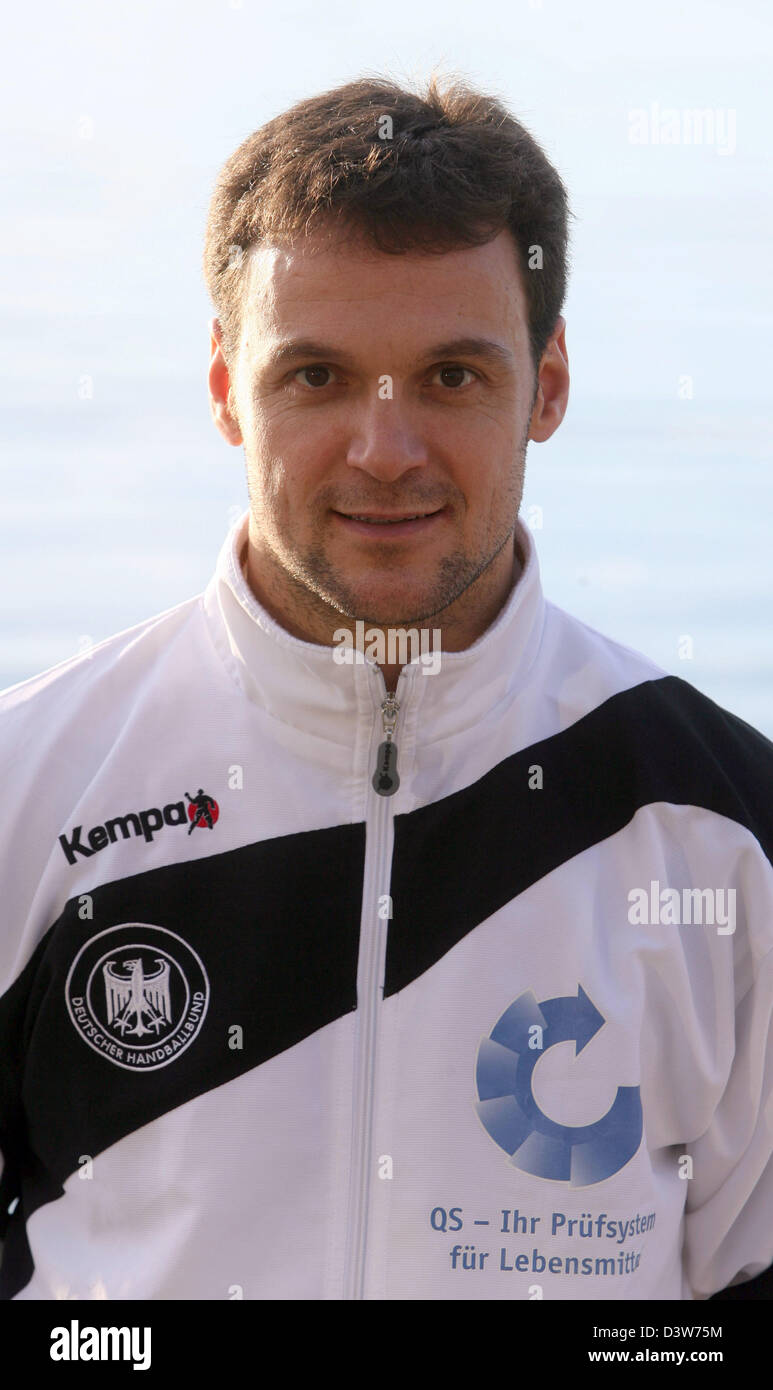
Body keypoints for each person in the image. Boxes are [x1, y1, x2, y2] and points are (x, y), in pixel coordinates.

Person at [0, 73, 772, 1303]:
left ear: (548, 381)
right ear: (222, 388)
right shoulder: (27, 788)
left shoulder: (722, 830)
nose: (384, 449)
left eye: (451, 376)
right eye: (314, 376)